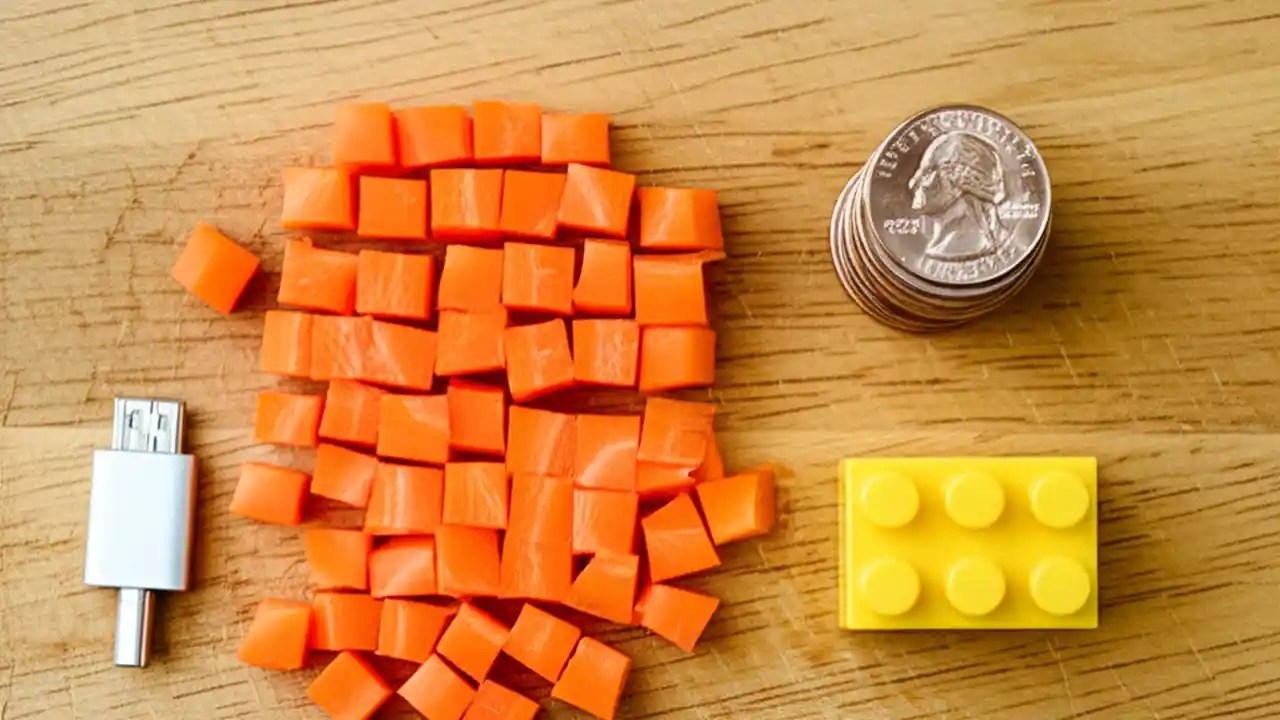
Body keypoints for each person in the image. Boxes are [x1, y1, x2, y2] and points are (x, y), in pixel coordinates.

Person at [907, 131, 1009, 261]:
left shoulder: (953, 246)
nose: (914, 183)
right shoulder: (940, 245)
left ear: (962, 181)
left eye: (928, 173)